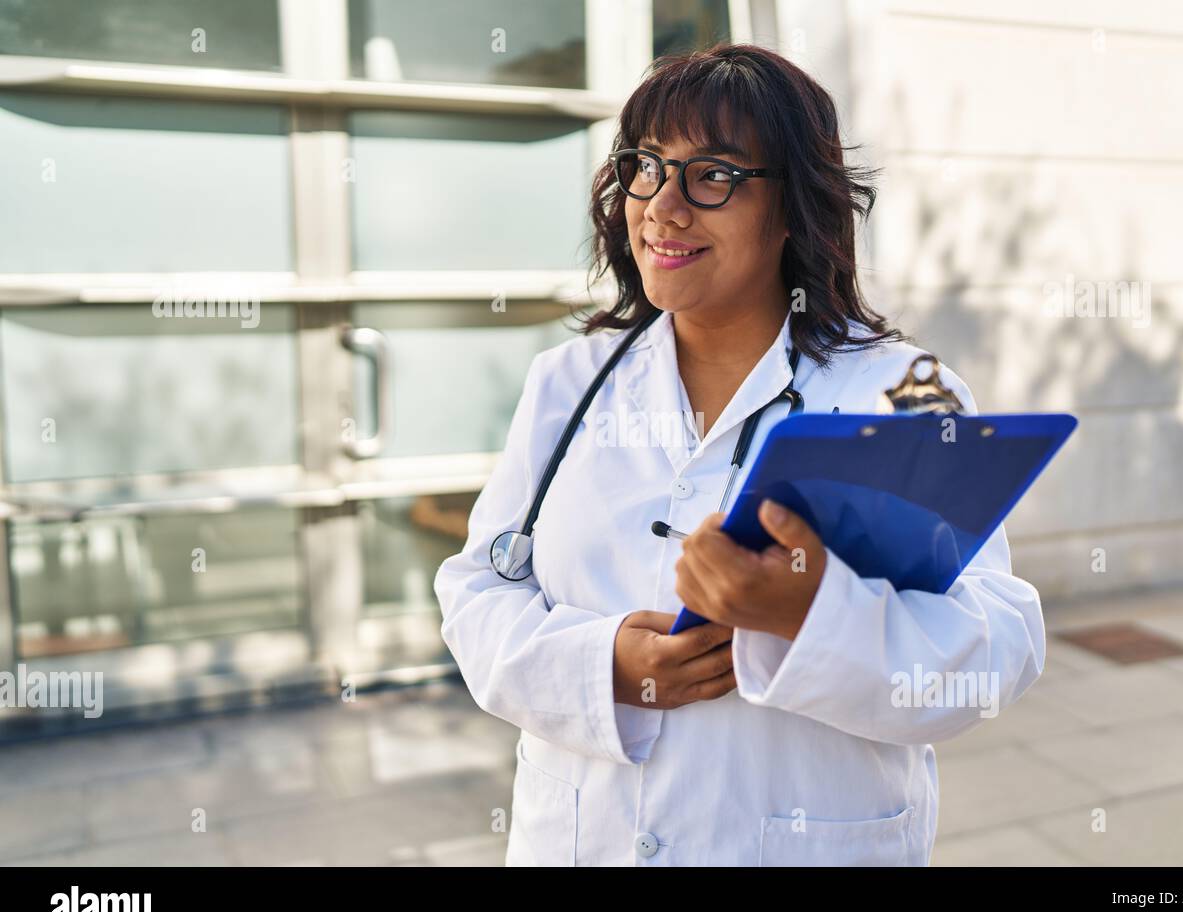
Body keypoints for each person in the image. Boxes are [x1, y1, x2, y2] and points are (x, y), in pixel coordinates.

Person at [433, 43, 1045, 866]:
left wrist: (807, 616)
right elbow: (478, 592)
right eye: (645, 166)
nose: (663, 206)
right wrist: (602, 666)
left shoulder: (906, 393)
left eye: (712, 175)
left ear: (795, 206)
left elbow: (998, 649)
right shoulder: (567, 382)